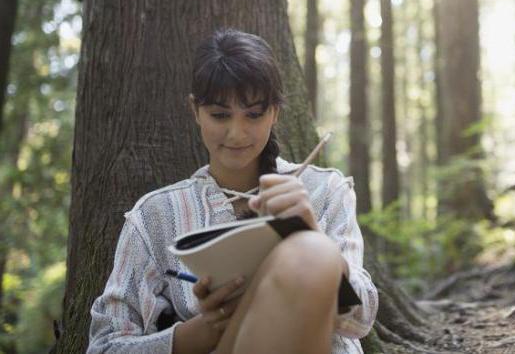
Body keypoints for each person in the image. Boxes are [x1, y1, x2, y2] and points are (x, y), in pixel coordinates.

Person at [87, 29, 378, 354]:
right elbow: (104, 347)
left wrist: (312, 235)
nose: (237, 133)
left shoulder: (325, 191)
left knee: (313, 251)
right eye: (220, 115)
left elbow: (361, 322)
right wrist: (199, 333)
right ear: (195, 110)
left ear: (275, 113)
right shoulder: (155, 215)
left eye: (253, 115)